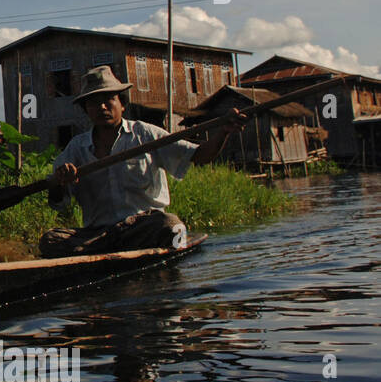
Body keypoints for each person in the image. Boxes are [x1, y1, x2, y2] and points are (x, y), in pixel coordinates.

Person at [39, 65, 245, 258]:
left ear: (122, 103)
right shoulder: (77, 147)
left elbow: (200, 155)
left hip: (142, 226)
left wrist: (224, 132)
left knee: (172, 226)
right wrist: (59, 182)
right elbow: (59, 201)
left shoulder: (145, 134)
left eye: (108, 99)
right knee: (50, 241)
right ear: (86, 110)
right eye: (93, 102)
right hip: (99, 235)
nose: (101, 107)